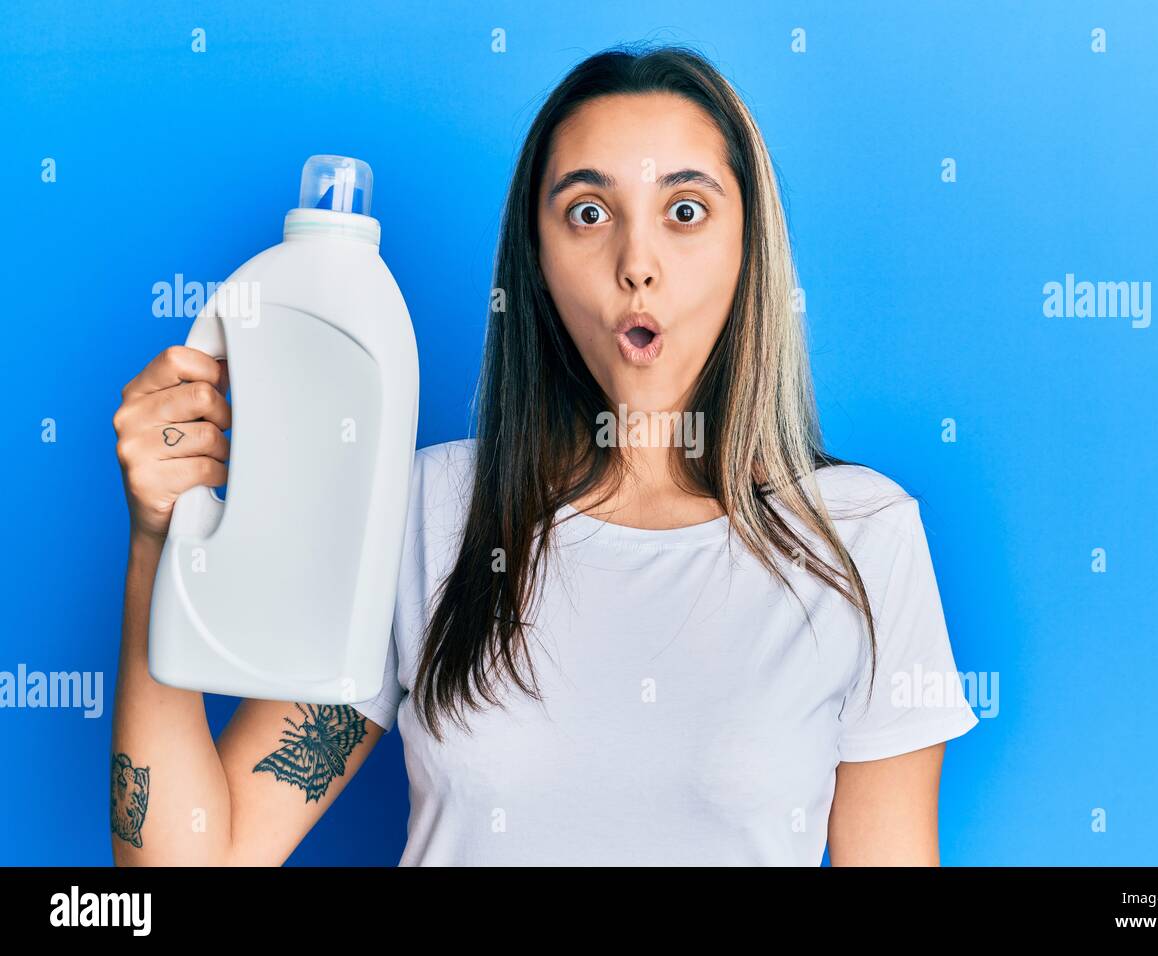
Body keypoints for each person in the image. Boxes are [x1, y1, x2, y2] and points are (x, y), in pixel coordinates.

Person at [110, 43, 978, 867]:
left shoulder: (859, 538)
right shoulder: (425, 512)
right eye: (588, 212)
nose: (636, 263)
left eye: (685, 211)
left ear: (750, 250)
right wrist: (160, 538)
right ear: (536, 262)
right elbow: (191, 859)